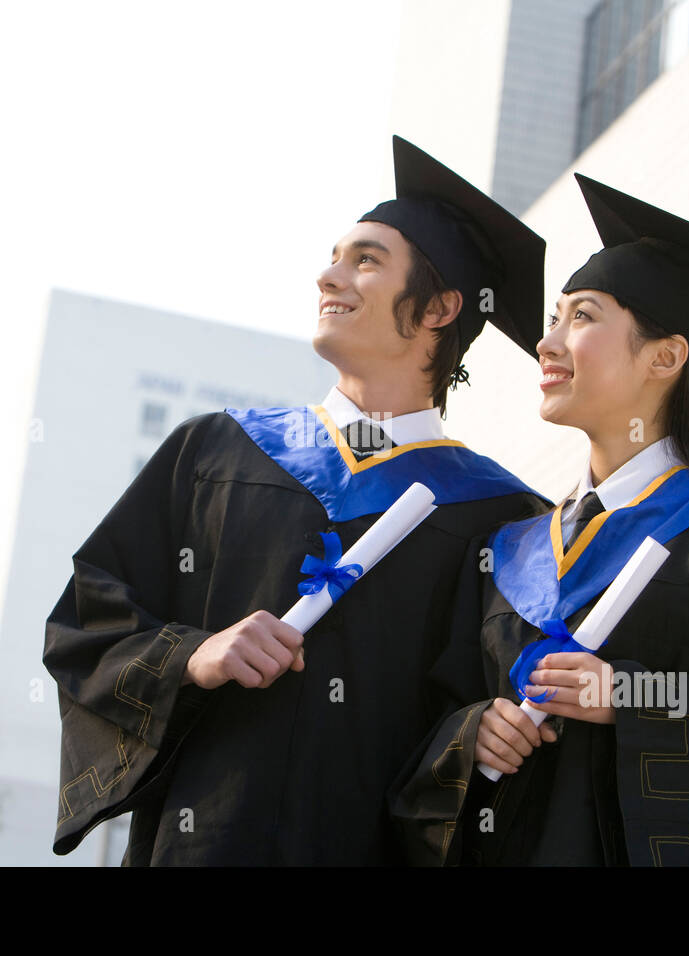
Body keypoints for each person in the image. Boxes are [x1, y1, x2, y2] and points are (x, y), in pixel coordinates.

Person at [43, 137, 551, 865]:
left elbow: (490, 741)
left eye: (365, 260)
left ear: (440, 307)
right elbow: (83, 630)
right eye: (335, 255)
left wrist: (480, 736)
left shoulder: (501, 519)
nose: (328, 275)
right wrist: (194, 655)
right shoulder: (215, 455)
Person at [390, 174, 689, 865]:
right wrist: (472, 737)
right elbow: (422, 723)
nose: (547, 345)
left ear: (666, 356)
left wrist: (635, 699)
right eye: (554, 319)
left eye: (581, 317)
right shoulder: (511, 549)